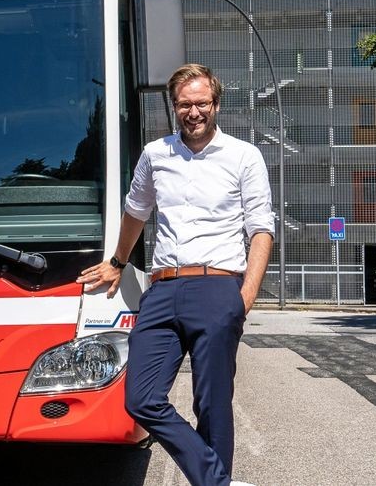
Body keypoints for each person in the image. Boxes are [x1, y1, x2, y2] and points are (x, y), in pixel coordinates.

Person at [77, 63, 274, 486]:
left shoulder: (244, 156)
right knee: (141, 398)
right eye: (184, 104)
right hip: (163, 288)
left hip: (218, 285)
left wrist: (245, 297)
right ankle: (218, 481)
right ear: (173, 106)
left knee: (212, 403)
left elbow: (261, 229)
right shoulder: (156, 154)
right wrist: (117, 262)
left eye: (202, 103)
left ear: (216, 104)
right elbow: (136, 211)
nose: (193, 112)